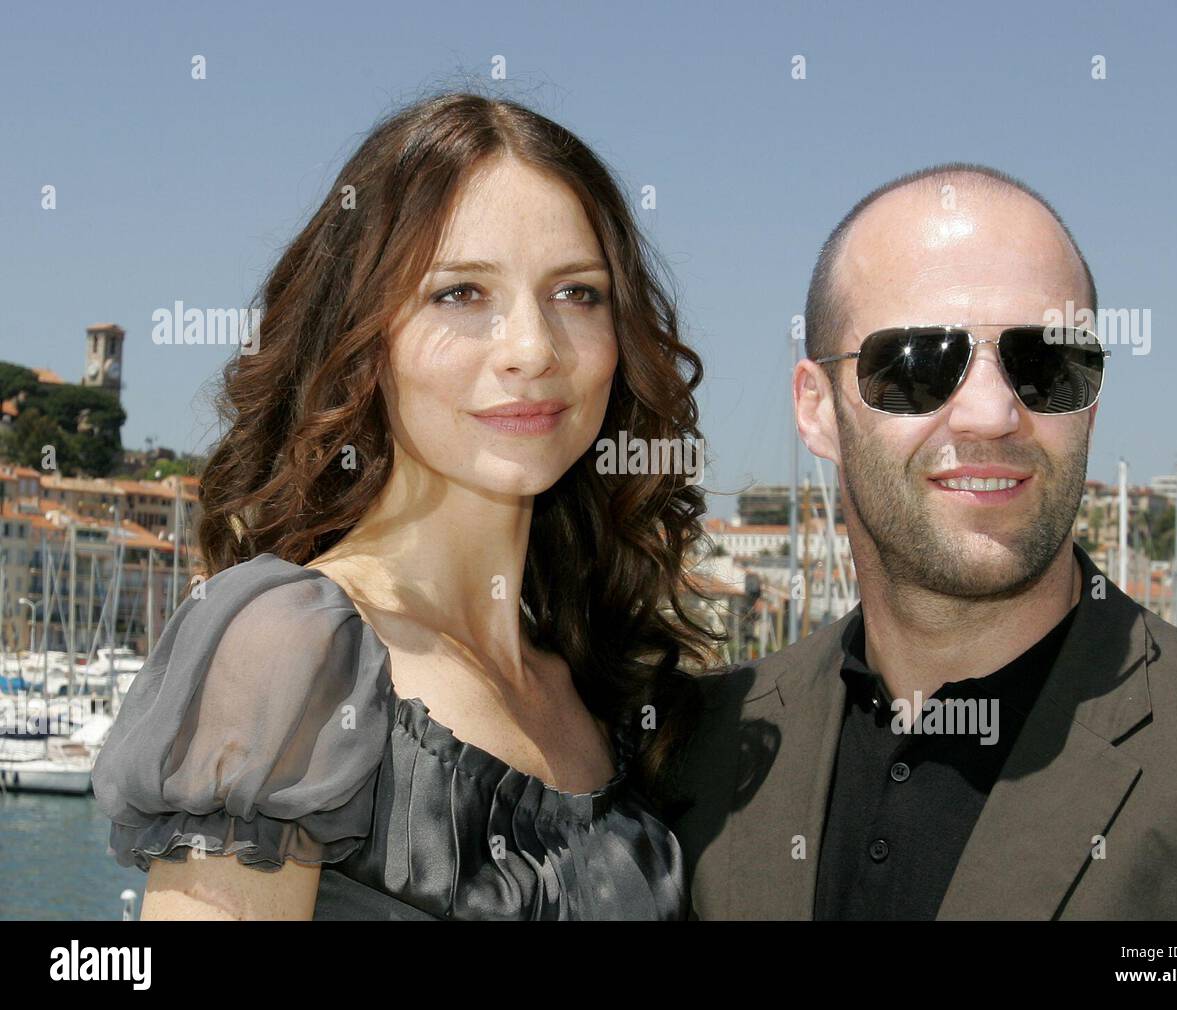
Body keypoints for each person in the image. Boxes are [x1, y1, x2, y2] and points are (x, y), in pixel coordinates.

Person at [91, 92, 715, 921]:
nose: (532, 348)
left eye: (578, 293)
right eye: (460, 293)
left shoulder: (599, 685)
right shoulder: (285, 643)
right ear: (363, 336)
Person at [670, 163, 1177, 920]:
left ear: (1091, 408)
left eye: (1047, 365)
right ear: (816, 409)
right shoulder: (699, 748)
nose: (991, 414)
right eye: (919, 364)